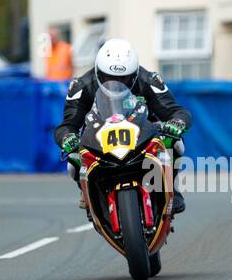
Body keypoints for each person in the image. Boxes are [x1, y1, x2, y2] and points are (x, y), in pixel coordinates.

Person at [54, 38, 192, 213]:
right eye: (109, 77)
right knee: (72, 162)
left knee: (176, 142)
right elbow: (67, 125)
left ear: (134, 74)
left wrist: (177, 123)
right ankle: (88, 196)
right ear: (98, 71)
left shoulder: (148, 80)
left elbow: (176, 111)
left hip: (142, 136)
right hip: (99, 141)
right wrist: (67, 138)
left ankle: (170, 186)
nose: (116, 82)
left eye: (124, 78)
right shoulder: (81, 86)